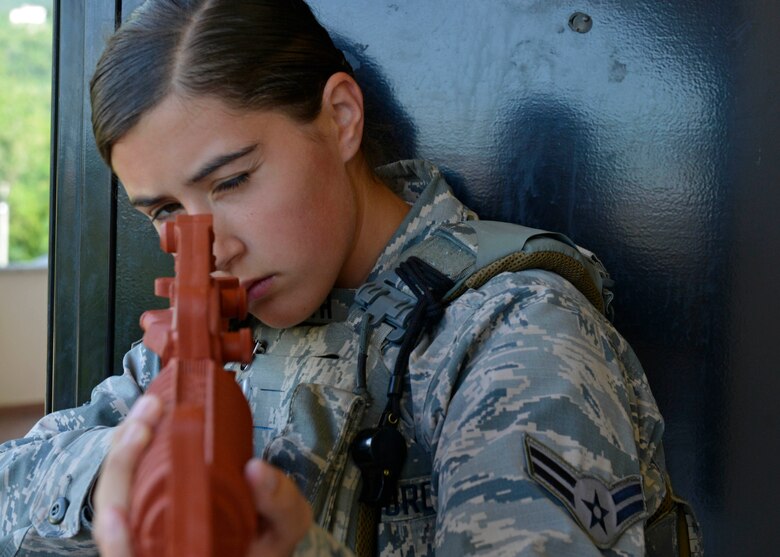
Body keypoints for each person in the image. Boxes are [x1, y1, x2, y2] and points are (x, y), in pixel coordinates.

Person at [0, 1, 700, 556]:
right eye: (164, 211)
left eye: (233, 179)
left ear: (340, 118)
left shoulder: (514, 331)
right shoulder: (209, 331)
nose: (210, 244)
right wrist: (116, 474)